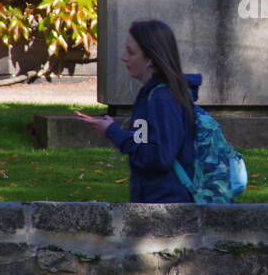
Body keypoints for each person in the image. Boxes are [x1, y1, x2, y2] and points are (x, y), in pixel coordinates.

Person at [75, 19, 198, 203]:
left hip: (166, 206)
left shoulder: (162, 98)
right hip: (152, 203)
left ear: (151, 59)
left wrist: (115, 133)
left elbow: (160, 157)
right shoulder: (152, 94)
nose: (124, 57)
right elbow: (148, 146)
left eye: (131, 52)